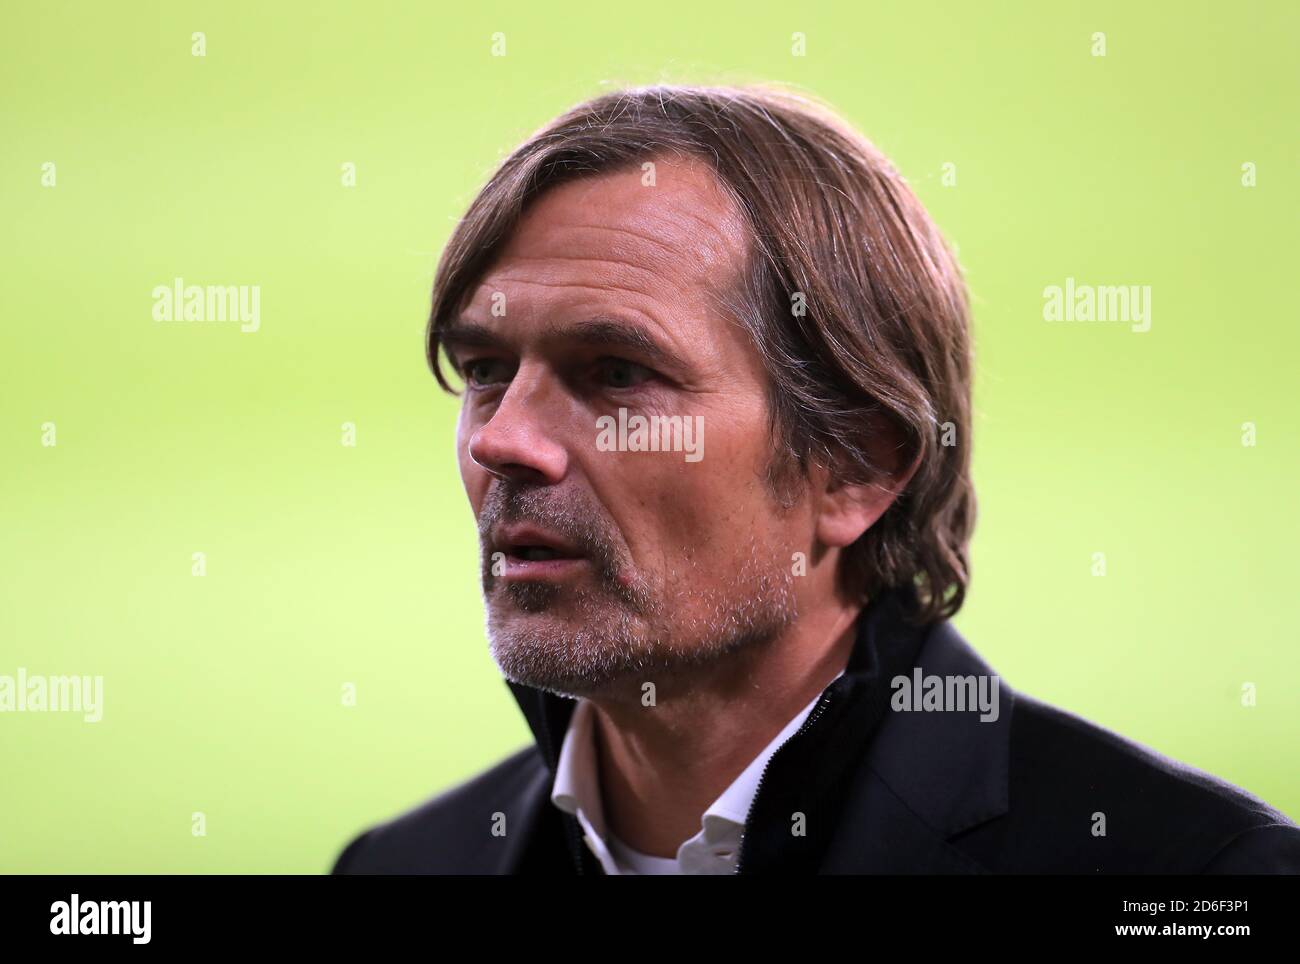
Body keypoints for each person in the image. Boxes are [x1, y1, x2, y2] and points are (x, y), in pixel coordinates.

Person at [333, 85, 1300, 874]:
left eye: (617, 374)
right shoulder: (403, 866)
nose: (505, 441)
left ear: (857, 467)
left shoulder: (1195, 876)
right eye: (486, 373)